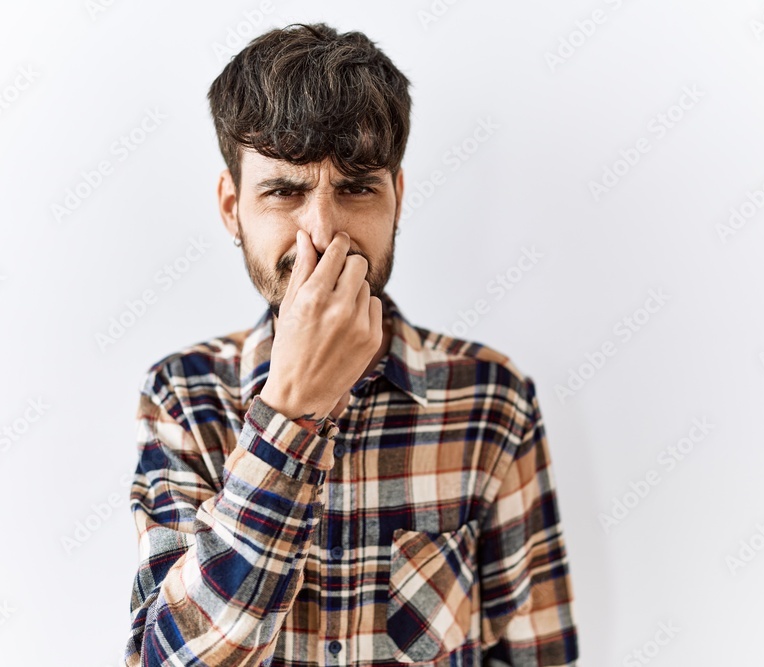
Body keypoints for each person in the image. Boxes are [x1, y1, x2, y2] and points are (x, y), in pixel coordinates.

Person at [123, 22, 579, 667]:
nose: (323, 233)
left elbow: (538, 654)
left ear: (396, 197)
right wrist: (290, 410)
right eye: (284, 191)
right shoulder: (185, 395)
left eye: (357, 187)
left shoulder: (491, 398)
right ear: (233, 208)